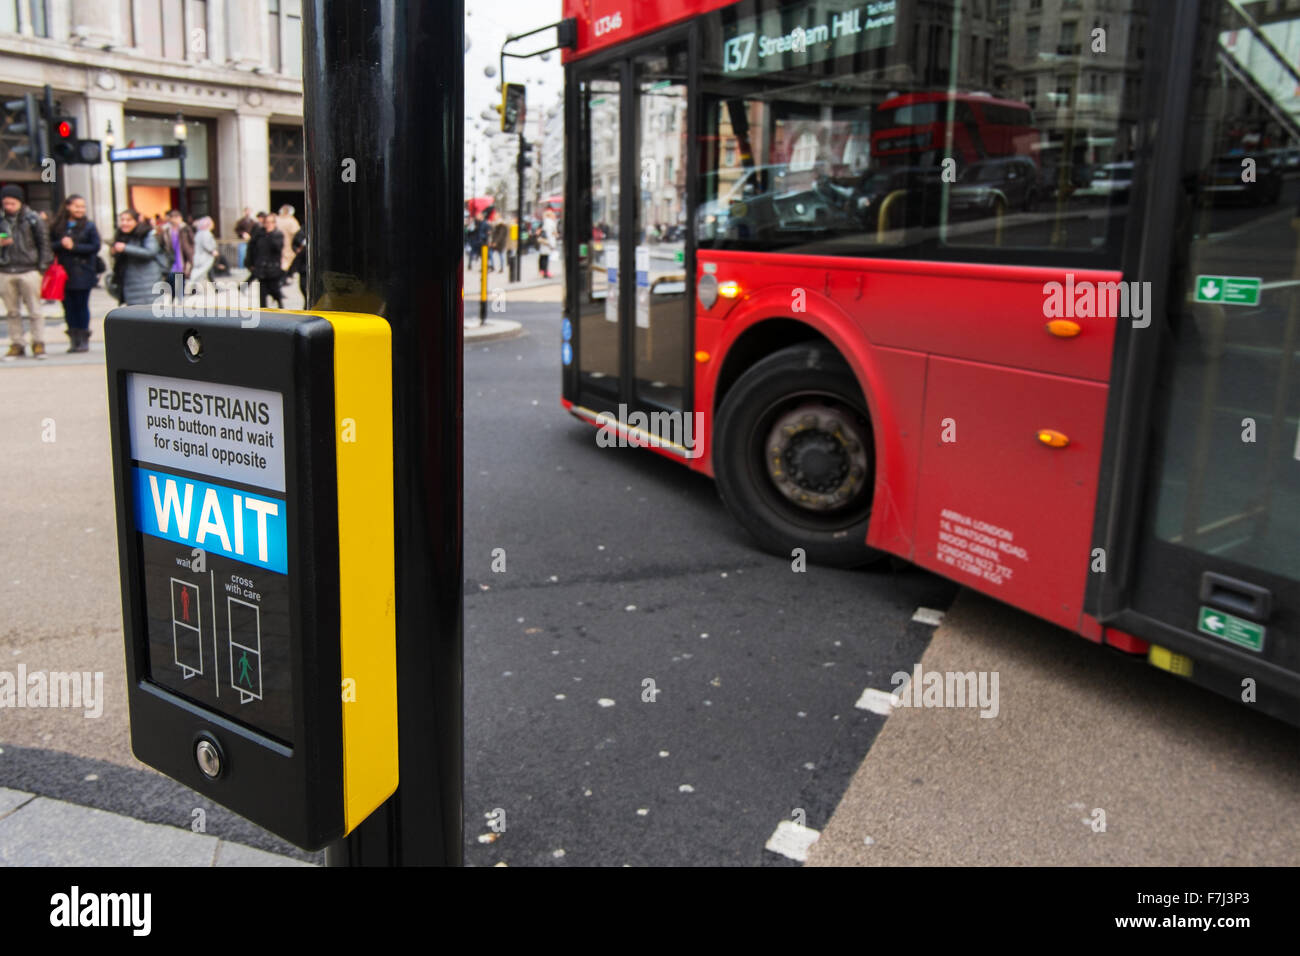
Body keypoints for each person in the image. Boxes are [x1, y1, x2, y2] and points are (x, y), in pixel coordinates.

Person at [1, 184, 53, 360]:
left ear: (20, 202)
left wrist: (42, 268)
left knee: (34, 310)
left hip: (29, 269)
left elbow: (44, 243)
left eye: (12, 203)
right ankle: (17, 343)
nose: (8, 206)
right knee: (12, 311)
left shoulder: (32, 218)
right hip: (6, 269)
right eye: (5, 203)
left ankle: (38, 343)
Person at [50, 195, 102, 353]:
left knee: (81, 305)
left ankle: (83, 338)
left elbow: (95, 246)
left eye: (82, 207)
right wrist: (61, 244)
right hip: (63, 273)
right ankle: (73, 338)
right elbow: (49, 245)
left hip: (83, 272)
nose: (80, 210)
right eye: (76, 206)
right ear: (67, 206)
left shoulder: (89, 226)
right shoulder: (58, 226)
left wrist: (74, 247)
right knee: (68, 307)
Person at [110, 209, 167, 306]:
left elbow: (150, 252)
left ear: (136, 221)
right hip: (130, 282)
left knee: (147, 312)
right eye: (122, 220)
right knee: (135, 314)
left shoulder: (146, 234)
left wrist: (125, 248)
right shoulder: (120, 235)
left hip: (146, 282)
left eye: (128, 220)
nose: (124, 223)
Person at [248, 211, 285, 308]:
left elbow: (278, 248)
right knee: (262, 293)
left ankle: (280, 305)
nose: (268, 225)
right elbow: (252, 248)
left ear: (274, 223)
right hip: (261, 267)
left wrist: (270, 235)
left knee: (275, 290)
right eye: (266, 222)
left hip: (273, 268)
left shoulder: (278, 234)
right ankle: (263, 311)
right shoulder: (259, 234)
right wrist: (250, 263)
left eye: (270, 222)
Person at [161, 208, 194, 281]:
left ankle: (178, 291)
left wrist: (191, 252)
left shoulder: (185, 228)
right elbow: (162, 242)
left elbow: (192, 241)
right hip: (171, 255)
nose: (176, 220)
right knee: (172, 274)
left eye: (178, 218)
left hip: (183, 254)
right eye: (174, 218)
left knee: (182, 273)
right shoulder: (166, 229)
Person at [190, 216, 217, 288]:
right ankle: (192, 288)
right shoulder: (205, 233)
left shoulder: (199, 233)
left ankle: (216, 288)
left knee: (207, 272)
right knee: (199, 273)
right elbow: (206, 244)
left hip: (200, 256)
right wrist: (212, 251)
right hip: (204, 257)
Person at [277, 204, 301, 274]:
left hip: (277, 248)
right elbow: (297, 235)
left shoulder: (275, 220)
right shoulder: (292, 221)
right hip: (289, 248)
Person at [538, 207, 559, 279]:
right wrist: (552, 244)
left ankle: (543, 271)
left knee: (543, 256)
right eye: (553, 215)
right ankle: (546, 272)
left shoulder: (546, 222)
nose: (554, 216)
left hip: (545, 243)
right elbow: (550, 234)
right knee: (546, 257)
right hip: (547, 243)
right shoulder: (549, 223)